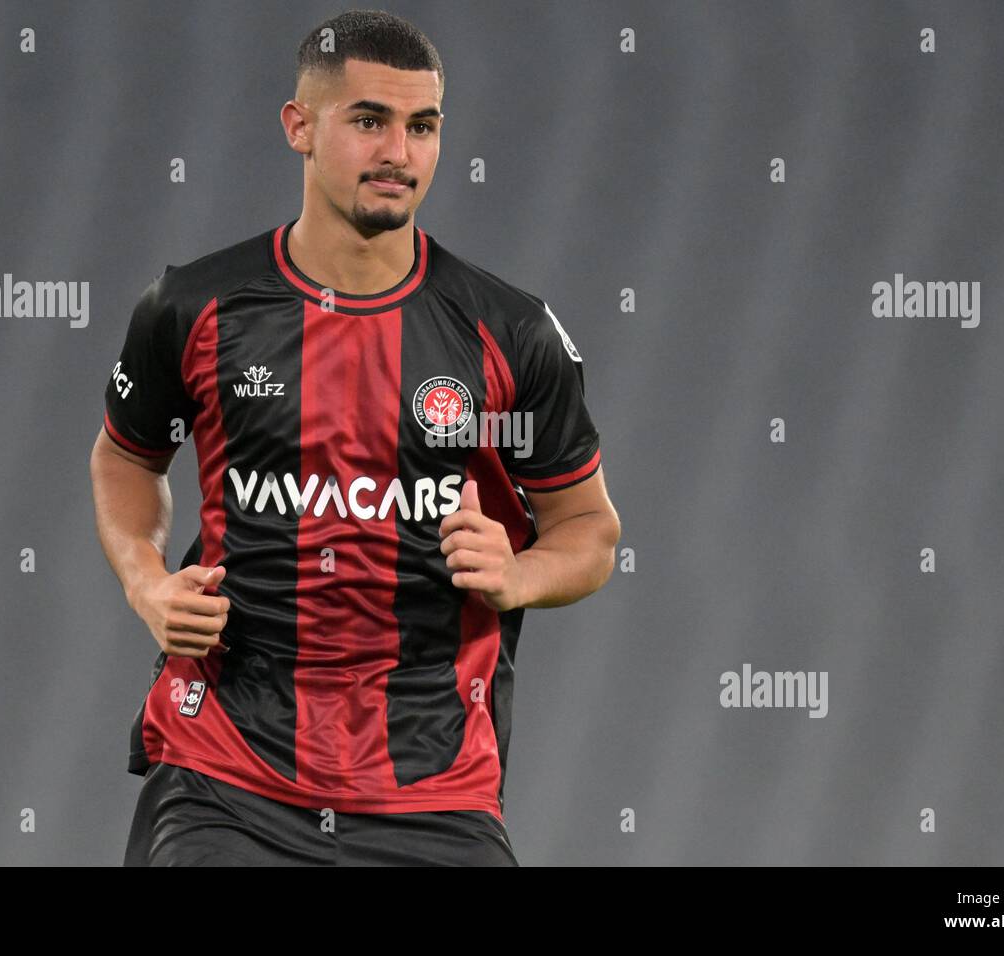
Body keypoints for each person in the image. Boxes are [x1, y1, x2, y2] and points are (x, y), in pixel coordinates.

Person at [90, 9, 621, 866]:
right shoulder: (191, 307)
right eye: (370, 120)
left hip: (431, 789)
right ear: (299, 126)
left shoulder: (508, 332)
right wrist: (147, 584)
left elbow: (591, 531)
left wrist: (520, 572)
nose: (399, 154)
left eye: (423, 127)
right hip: (226, 774)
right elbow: (126, 454)